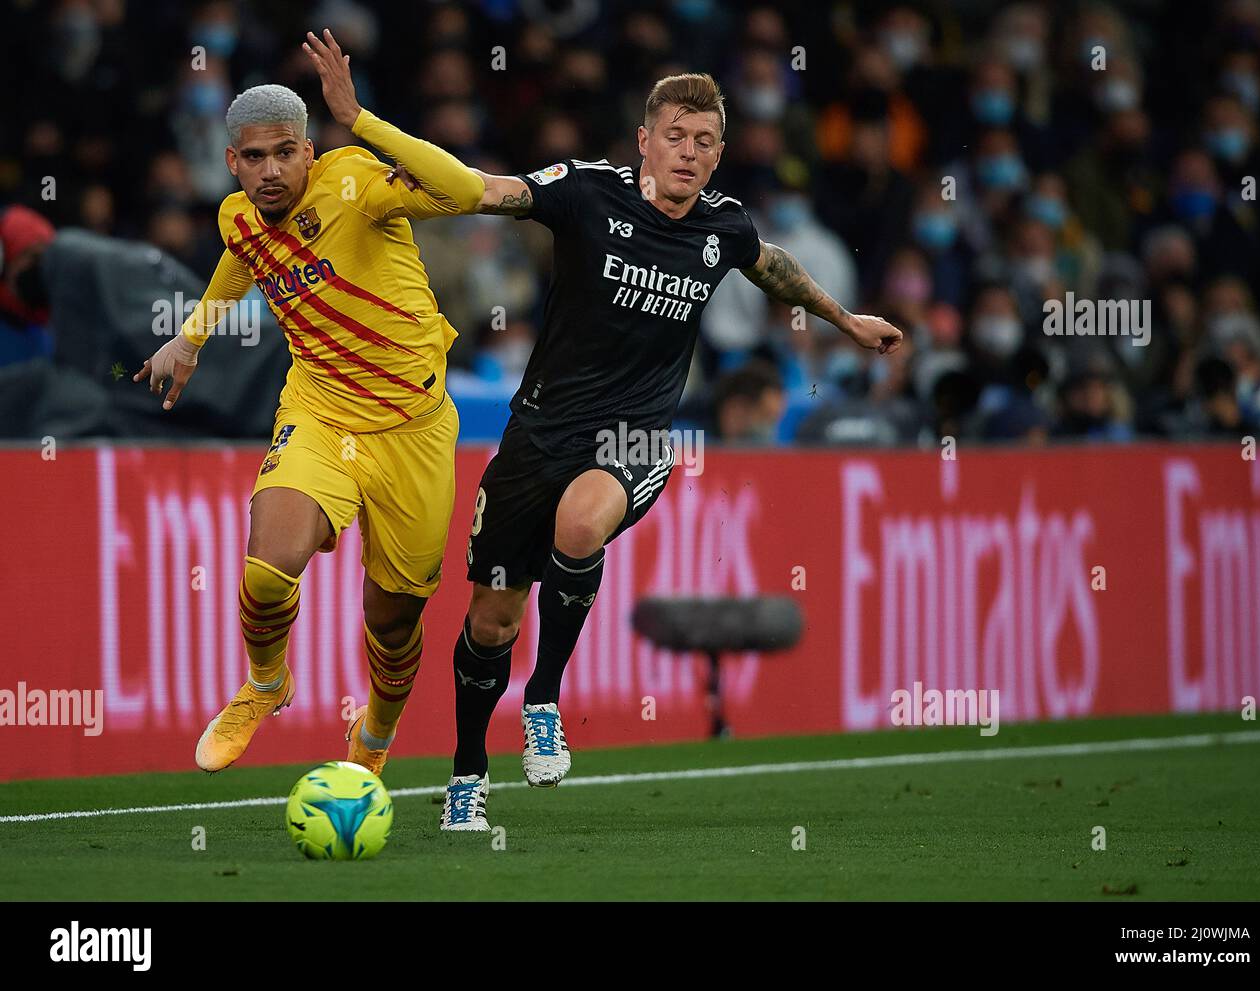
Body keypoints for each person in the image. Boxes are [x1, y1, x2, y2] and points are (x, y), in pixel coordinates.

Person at [394, 70, 903, 830]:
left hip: (633, 436)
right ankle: (469, 770)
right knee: (491, 620)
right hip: (537, 433)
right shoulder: (586, 192)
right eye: (675, 137)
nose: (688, 153)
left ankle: (543, 699)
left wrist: (845, 319)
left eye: (704, 142)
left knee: (579, 523)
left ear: (720, 152)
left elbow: (775, 268)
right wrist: (379, 145)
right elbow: (485, 190)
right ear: (644, 141)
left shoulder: (722, 227)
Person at [133, 29, 484, 778]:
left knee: (392, 620)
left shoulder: (355, 180)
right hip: (321, 412)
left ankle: (378, 733)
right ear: (232, 162)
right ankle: (267, 684)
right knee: (269, 566)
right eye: (253, 157)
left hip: (415, 429)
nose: (268, 171)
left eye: (284, 152)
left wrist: (360, 120)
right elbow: (239, 260)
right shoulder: (236, 216)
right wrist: (191, 339)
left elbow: (462, 190)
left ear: (308, 152)